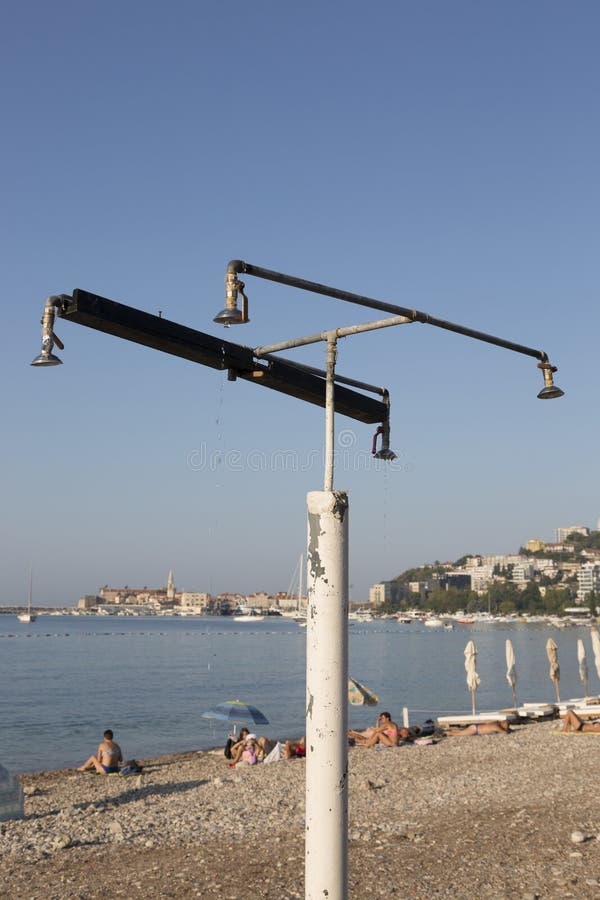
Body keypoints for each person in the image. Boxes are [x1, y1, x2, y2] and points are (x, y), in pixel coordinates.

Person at [445, 720, 510, 736]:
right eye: (506, 727)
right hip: (475, 730)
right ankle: (446, 733)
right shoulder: (496, 726)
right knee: (459, 734)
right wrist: (507, 731)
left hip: (475, 727)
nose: (506, 728)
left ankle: (448, 730)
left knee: (461, 732)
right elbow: (504, 732)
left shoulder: (496, 723)